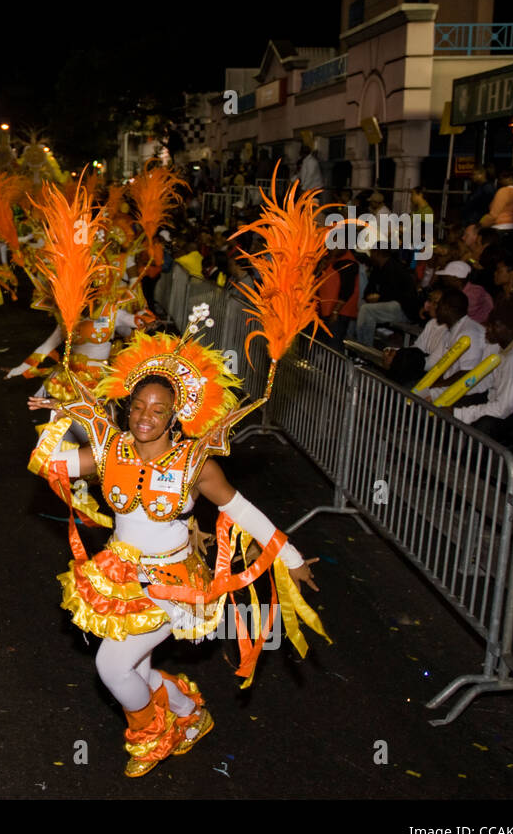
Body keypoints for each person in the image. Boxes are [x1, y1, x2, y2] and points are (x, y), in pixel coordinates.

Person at [26, 323, 323, 777]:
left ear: (175, 415)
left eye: (158, 409)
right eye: (138, 406)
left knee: (112, 665)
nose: (145, 416)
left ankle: (152, 735)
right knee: (135, 667)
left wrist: (292, 558)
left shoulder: (194, 464)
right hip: (118, 574)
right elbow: (48, 463)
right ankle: (189, 715)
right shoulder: (110, 452)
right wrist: (64, 417)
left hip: (173, 585)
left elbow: (243, 511)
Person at [437, 302, 513, 444]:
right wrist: (448, 396)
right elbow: (486, 382)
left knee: (485, 424)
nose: (487, 330)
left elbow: (503, 408)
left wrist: (458, 413)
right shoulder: (508, 348)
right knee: (455, 401)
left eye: (493, 325)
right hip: (509, 404)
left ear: (509, 329)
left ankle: (469, 463)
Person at [354, 245, 421, 345]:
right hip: (387, 304)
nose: (370, 255)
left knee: (366, 310)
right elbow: (369, 289)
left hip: (403, 309)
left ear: (378, 253)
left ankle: (364, 347)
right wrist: (370, 297)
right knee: (362, 305)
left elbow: (399, 295)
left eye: (372, 252)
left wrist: (378, 298)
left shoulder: (396, 268)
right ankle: (363, 344)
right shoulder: (377, 268)